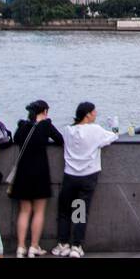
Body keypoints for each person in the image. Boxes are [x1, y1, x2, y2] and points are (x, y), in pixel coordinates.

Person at [53, 102, 118, 258]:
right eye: (94, 112)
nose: (96, 114)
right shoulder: (95, 130)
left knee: (64, 211)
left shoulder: (68, 130)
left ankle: (63, 244)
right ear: (87, 114)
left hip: (70, 176)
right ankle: (76, 245)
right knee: (80, 211)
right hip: (88, 176)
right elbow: (113, 136)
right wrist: (114, 126)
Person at [9, 99, 64, 257]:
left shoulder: (23, 126)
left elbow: (15, 139)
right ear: (45, 111)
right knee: (39, 211)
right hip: (40, 173)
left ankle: (20, 247)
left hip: (23, 173)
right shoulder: (46, 126)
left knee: (24, 211)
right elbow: (60, 140)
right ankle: (34, 246)